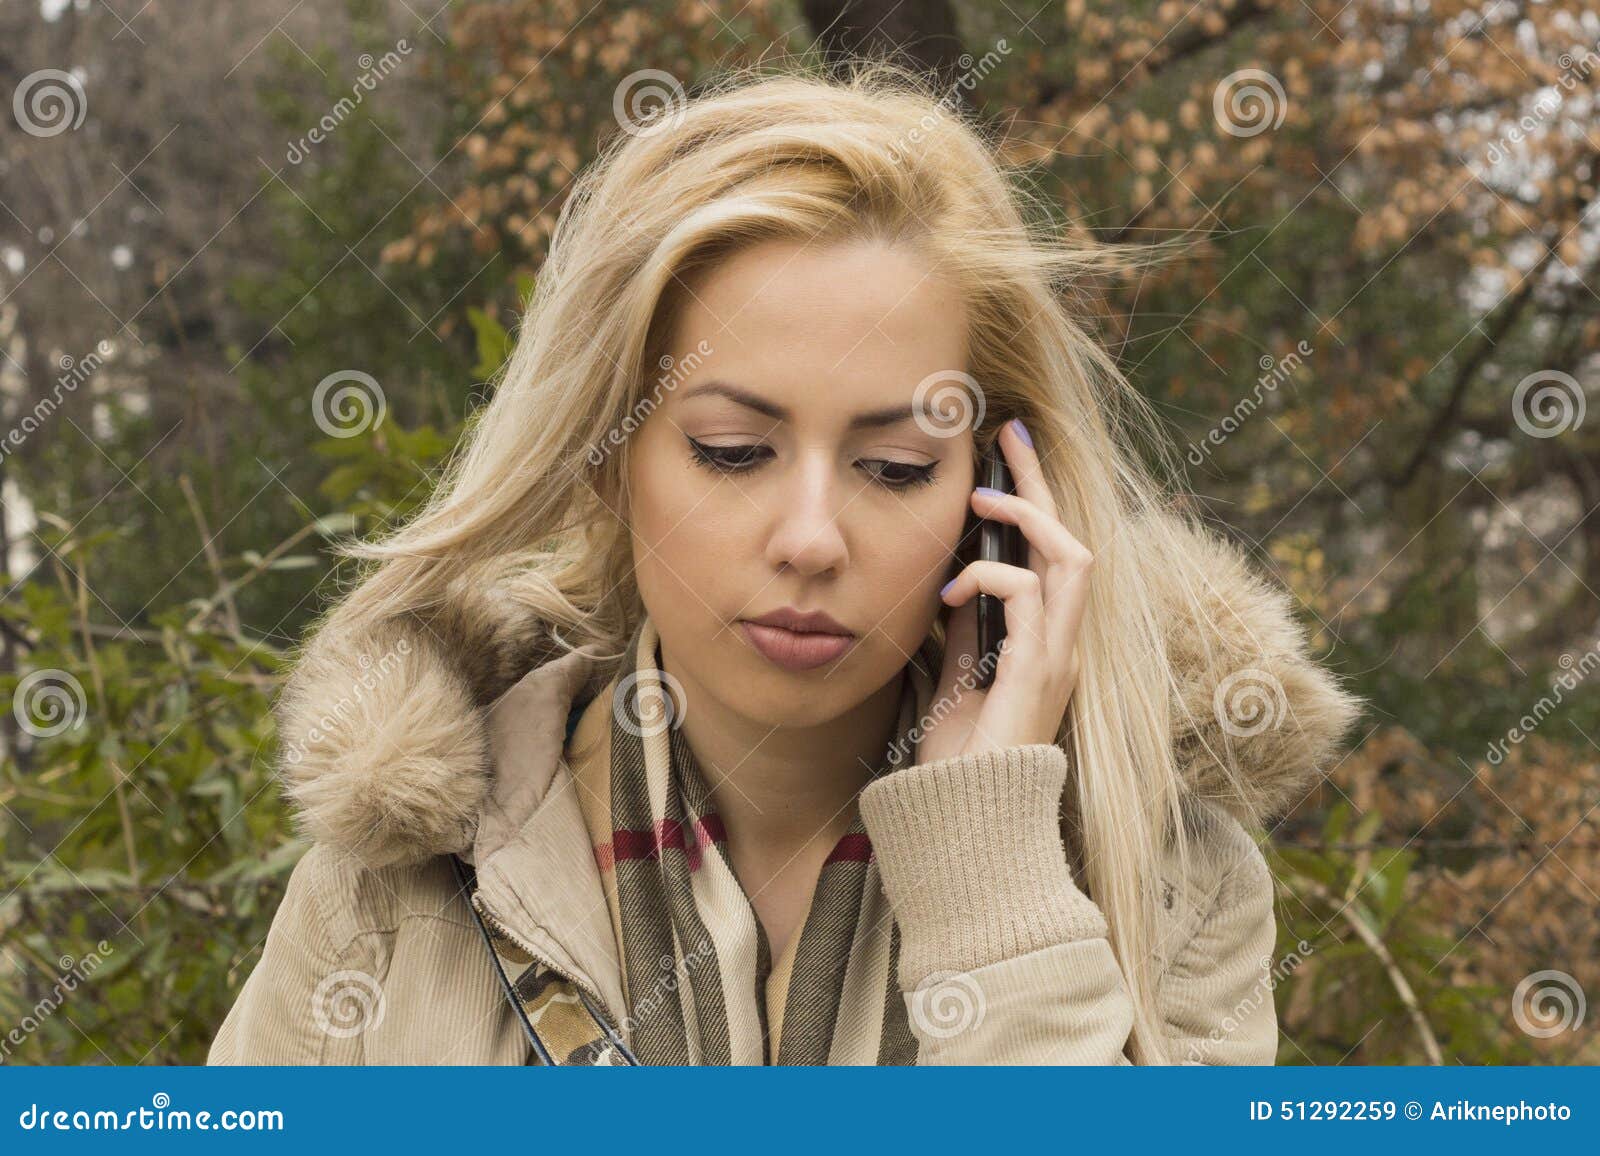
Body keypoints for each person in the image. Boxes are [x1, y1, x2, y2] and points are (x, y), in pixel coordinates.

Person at [207, 59, 1362, 1066]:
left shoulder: (1166, 880)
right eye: (733, 449)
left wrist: (992, 874)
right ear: (606, 457)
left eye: (897, 465)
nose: (810, 537)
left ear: (998, 493)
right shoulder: (391, 893)